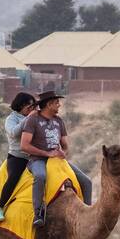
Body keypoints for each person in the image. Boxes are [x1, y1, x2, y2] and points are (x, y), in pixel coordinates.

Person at [19, 90, 92, 228]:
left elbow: (65, 145)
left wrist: (63, 152)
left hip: (57, 161)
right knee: (40, 176)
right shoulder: (33, 120)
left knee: (86, 182)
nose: (59, 105)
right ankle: (38, 213)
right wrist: (46, 154)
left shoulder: (59, 121)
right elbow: (24, 145)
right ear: (48, 104)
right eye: (57, 102)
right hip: (38, 160)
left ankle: (86, 213)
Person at [0, 92, 36, 223]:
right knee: (13, 178)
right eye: (30, 107)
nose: (32, 110)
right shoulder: (11, 119)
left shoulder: (33, 117)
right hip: (18, 157)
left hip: (35, 156)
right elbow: (13, 132)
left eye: (33, 107)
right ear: (21, 106)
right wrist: (29, 119)